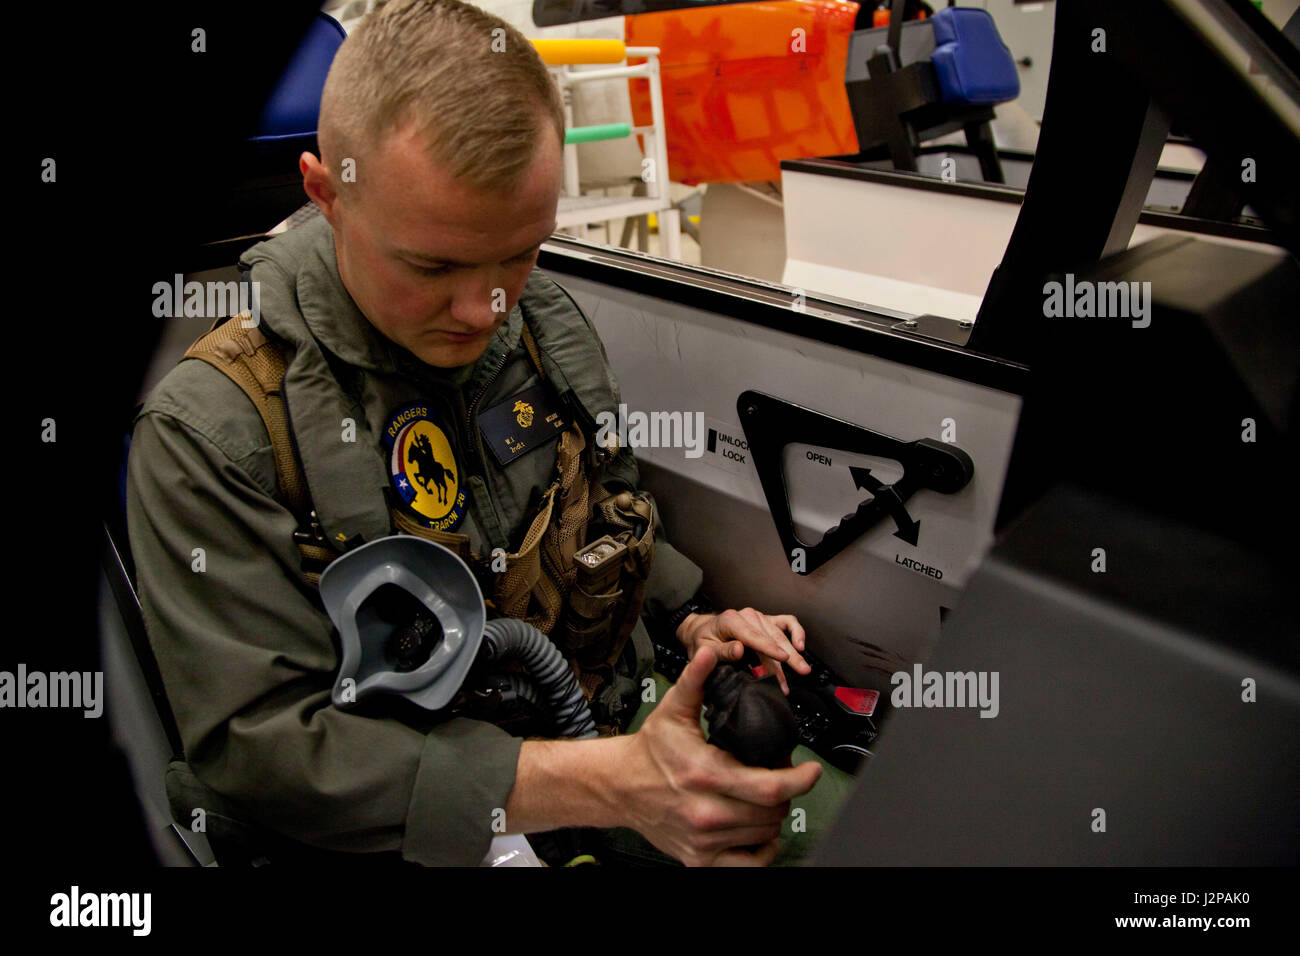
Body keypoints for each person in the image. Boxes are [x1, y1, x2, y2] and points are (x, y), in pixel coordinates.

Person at [126, 0, 827, 868]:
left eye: (521, 252)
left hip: (603, 738)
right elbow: (262, 751)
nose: (482, 309)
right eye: (433, 265)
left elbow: (603, 510)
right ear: (326, 194)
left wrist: (691, 625)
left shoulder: (541, 329)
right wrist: (614, 782)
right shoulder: (213, 435)